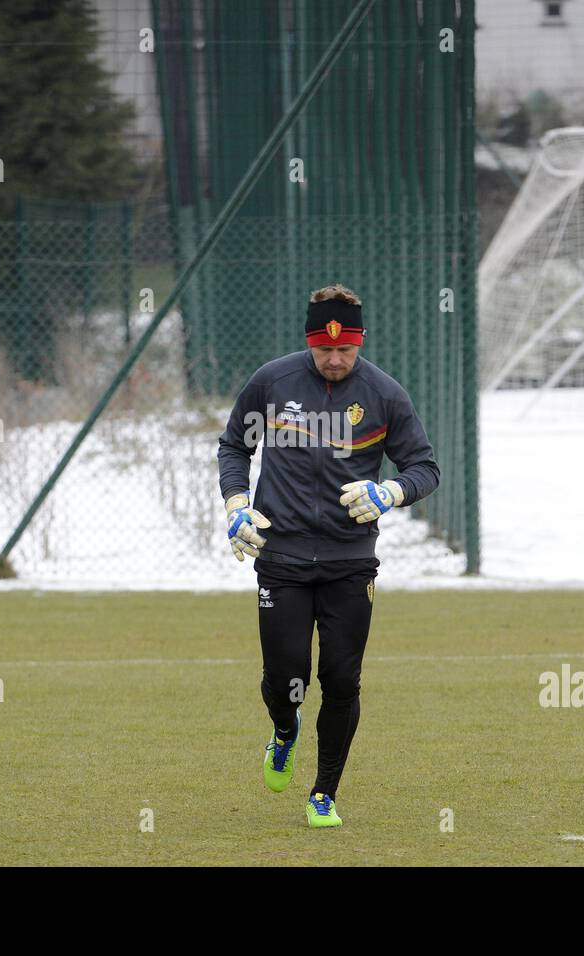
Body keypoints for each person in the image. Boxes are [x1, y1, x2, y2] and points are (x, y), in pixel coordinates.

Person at [217, 284, 440, 827]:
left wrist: (390, 493)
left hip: (350, 561)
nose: (336, 360)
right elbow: (234, 446)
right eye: (325, 350)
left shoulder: (385, 395)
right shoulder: (272, 383)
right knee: (286, 676)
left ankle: (324, 793)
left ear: (360, 342)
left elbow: (424, 468)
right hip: (282, 558)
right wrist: (236, 505)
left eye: (346, 350)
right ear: (309, 342)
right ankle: (285, 730)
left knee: (342, 679)